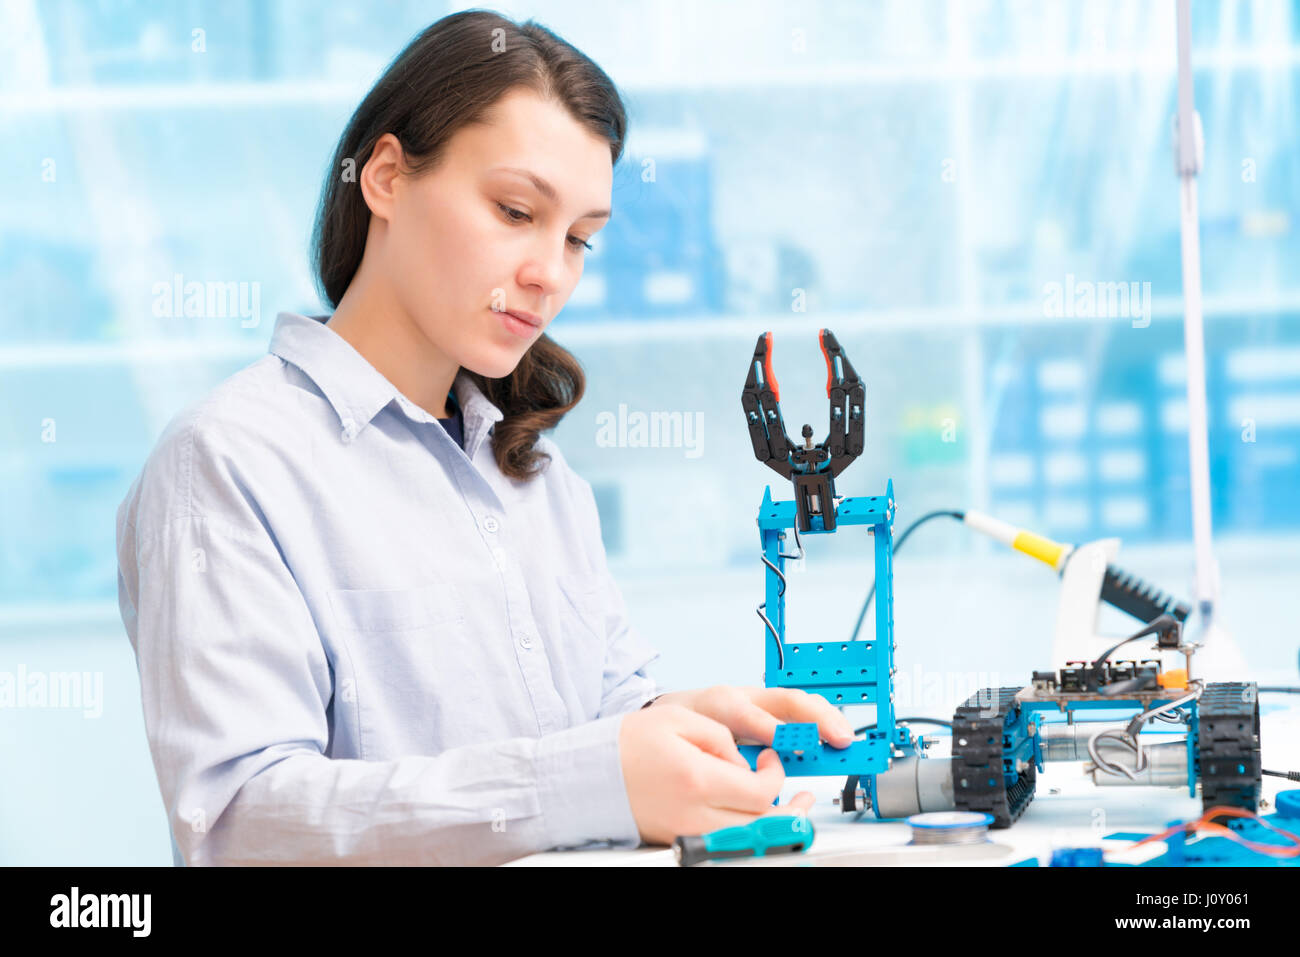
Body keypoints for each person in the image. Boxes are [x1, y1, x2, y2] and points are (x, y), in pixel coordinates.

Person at [115, 9, 851, 867]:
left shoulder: (535, 474)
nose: (551, 273)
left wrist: (688, 730)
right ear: (386, 177)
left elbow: (594, 724)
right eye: (514, 210)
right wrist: (591, 780)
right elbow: (244, 824)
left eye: (579, 239)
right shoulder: (226, 463)